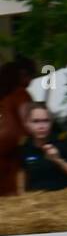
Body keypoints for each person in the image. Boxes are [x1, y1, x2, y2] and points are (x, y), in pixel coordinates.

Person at [14, 102, 67, 193]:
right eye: (36, 121)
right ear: (26, 124)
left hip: (64, 197)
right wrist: (21, 194)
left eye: (45, 121)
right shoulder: (24, 145)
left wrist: (58, 160)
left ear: (51, 123)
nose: (41, 126)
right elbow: (22, 171)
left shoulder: (63, 142)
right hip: (35, 199)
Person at [0, 56, 36, 196]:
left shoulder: (4, 97)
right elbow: (28, 124)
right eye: (31, 77)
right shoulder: (21, 94)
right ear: (22, 75)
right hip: (10, 154)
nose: (31, 82)